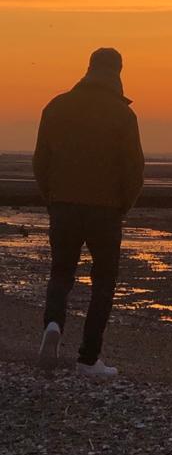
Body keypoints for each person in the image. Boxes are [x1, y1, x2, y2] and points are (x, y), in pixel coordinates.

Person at [33, 47, 145, 378]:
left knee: (61, 272)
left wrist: (52, 198)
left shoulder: (57, 106)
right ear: (118, 72)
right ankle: (88, 357)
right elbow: (134, 169)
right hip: (106, 210)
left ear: (89, 68)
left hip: (64, 205)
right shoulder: (123, 115)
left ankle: (53, 323)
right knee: (104, 281)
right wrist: (124, 204)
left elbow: (41, 161)